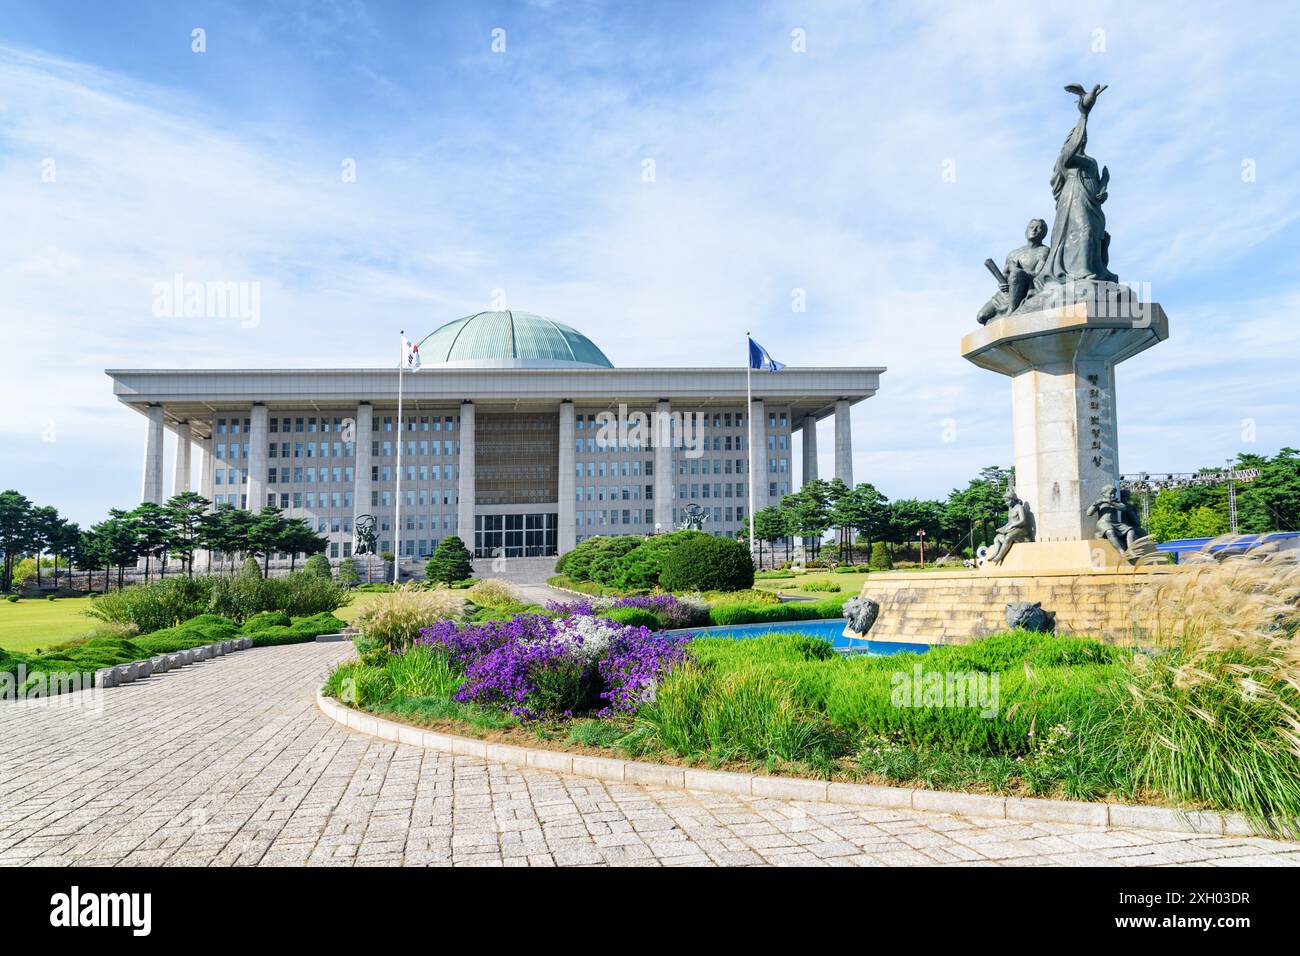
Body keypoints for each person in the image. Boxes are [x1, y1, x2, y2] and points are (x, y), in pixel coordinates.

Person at [977, 219, 1050, 324]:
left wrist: (1019, 272)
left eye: (1038, 228)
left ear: (1043, 234)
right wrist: (1001, 283)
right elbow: (1005, 274)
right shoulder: (1013, 253)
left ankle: (1011, 311)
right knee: (981, 317)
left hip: (1025, 288)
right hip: (1007, 292)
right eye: (1031, 227)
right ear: (1026, 231)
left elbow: (1039, 273)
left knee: (1016, 272)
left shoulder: (1044, 251)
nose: (1034, 230)